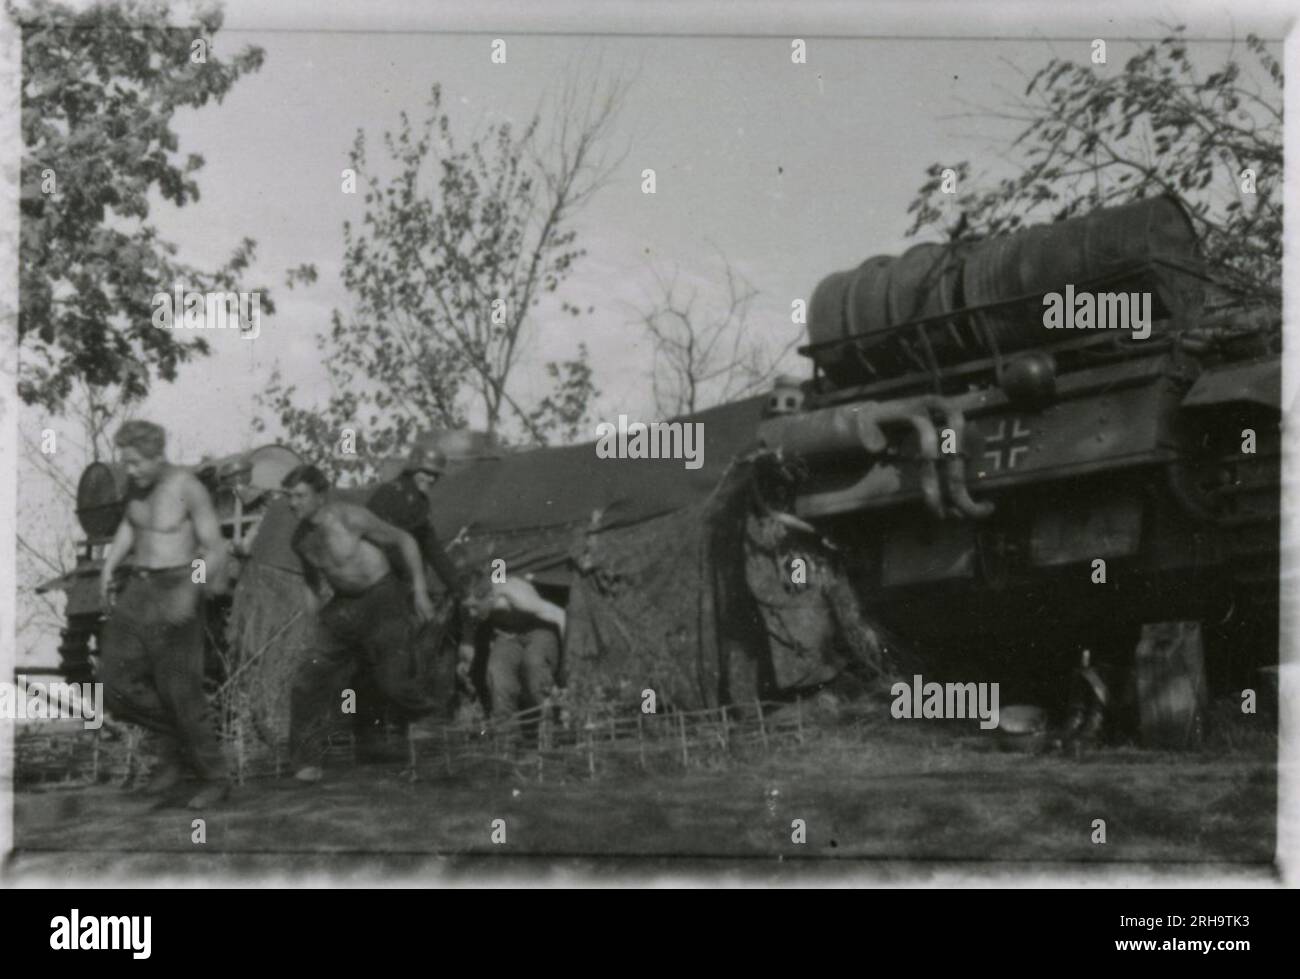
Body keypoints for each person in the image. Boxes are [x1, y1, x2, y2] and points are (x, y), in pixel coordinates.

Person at [98, 420, 231, 809]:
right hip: (139, 588)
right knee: (110, 682)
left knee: (180, 690)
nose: (131, 470)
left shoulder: (187, 487)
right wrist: (109, 567)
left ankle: (214, 778)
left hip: (179, 584)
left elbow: (214, 547)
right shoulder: (135, 485)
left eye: (137, 462)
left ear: (159, 455)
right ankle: (174, 744)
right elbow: (130, 523)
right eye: (126, 463)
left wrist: (192, 588)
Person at [282, 464, 438, 782]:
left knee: (393, 681)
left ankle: (432, 726)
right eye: (289, 497)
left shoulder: (349, 517)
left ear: (320, 495)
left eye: (299, 496)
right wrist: (310, 623)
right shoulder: (300, 540)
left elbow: (405, 540)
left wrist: (420, 591)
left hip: (384, 597)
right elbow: (312, 583)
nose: (292, 503)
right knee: (307, 678)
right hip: (344, 605)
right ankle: (305, 763)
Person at [355, 439, 465, 757]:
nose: (431, 479)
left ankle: (393, 737)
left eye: (435, 476)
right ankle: (379, 737)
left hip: (392, 590)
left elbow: (432, 547)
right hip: (377, 589)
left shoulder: (415, 502)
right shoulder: (392, 496)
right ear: (413, 468)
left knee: (395, 663)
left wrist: (459, 588)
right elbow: (378, 541)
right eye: (426, 473)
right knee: (383, 664)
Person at [463, 574, 566, 750]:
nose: (471, 613)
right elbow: (497, 560)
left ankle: (549, 727)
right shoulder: (480, 594)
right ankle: (508, 737)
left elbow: (559, 615)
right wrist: (465, 659)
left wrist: (566, 663)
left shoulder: (518, 597)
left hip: (539, 629)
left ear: (490, 598)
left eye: (474, 608)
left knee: (534, 664)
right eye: (468, 608)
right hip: (508, 634)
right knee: (496, 670)